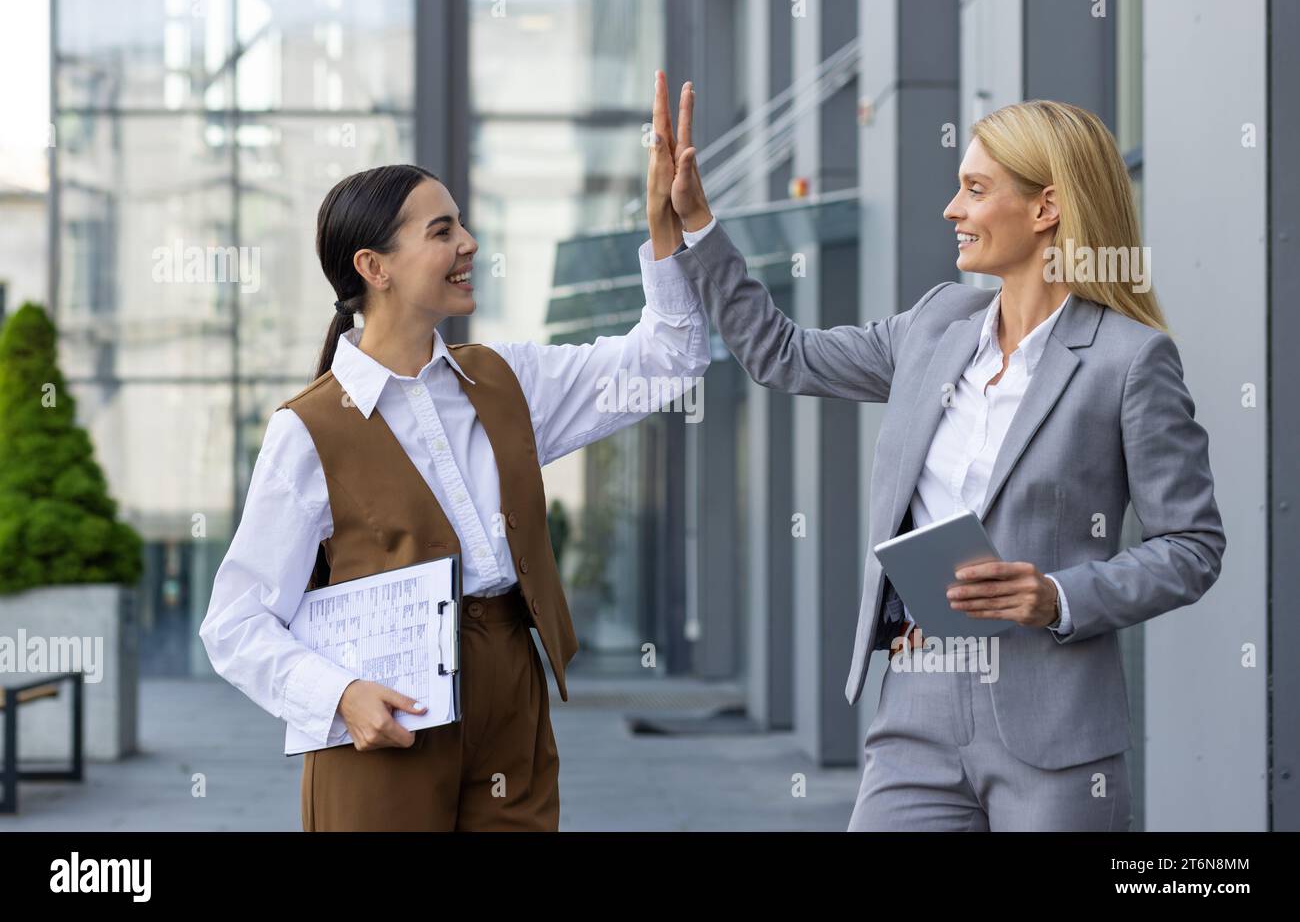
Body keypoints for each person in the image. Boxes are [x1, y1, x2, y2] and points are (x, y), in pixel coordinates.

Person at [654, 88, 1225, 831]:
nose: (953, 209)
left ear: (1047, 207)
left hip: (1053, 731)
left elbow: (1193, 546)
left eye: (976, 189)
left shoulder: (1129, 359)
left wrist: (1059, 594)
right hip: (915, 710)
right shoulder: (936, 325)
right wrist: (697, 220)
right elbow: (780, 353)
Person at [198, 72, 708, 831]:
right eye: (442, 232)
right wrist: (337, 695)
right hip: (384, 713)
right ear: (375, 268)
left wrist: (667, 237)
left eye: (460, 224)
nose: (469, 243)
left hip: (510, 684)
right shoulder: (307, 431)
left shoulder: (506, 381)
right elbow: (235, 623)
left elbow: (669, 358)